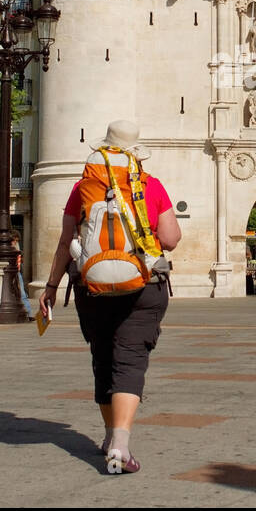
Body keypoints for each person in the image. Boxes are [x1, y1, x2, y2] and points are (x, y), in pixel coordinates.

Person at [40, 120, 181, 475]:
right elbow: (171, 238)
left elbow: (64, 242)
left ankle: (107, 436)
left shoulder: (81, 188)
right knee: (130, 360)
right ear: (136, 154)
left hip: (92, 287)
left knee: (103, 357)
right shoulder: (151, 186)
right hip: (144, 285)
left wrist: (51, 287)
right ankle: (120, 444)